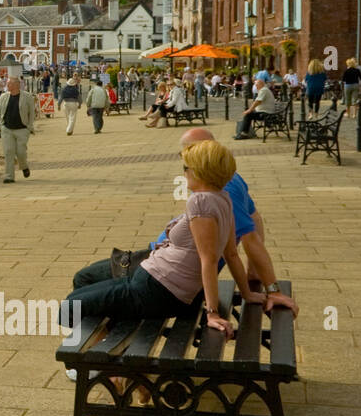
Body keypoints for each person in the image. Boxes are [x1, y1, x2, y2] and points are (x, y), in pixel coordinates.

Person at [62, 140, 263, 334]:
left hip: (157, 289)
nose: (183, 173)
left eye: (186, 168)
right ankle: (105, 341)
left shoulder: (200, 202)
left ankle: (96, 353)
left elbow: (209, 260)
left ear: (200, 172)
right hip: (155, 280)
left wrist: (212, 313)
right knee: (81, 290)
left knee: (70, 306)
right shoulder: (223, 198)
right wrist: (246, 293)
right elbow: (232, 255)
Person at [0, 78, 35, 183]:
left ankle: (24, 166)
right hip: (7, 129)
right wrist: (1, 124)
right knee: (8, 152)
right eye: (7, 84)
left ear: (17, 85)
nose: (7, 85)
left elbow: (32, 113)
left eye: (9, 83)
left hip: (22, 129)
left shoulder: (27, 96)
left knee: (21, 152)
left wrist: (29, 126)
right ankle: (9, 176)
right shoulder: (3, 97)